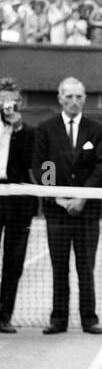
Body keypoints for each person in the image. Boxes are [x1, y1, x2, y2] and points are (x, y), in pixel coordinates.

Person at [33, 77, 102, 334]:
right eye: (69, 97)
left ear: (85, 99)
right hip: (57, 212)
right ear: (60, 99)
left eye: (79, 97)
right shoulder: (46, 129)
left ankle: (89, 318)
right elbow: (44, 165)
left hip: (88, 211)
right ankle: (58, 319)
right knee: (59, 266)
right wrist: (59, 199)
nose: (74, 101)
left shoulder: (96, 129)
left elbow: (100, 168)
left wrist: (81, 198)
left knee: (85, 266)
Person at [0, 77, 38, 333]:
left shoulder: (31, 133)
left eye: (11, 100)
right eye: (2, 99)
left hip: (19, 203)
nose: (7, 105)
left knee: (14, 263)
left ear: (20, 102)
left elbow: (40, 166)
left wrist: (19, 129)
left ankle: (4, 316)